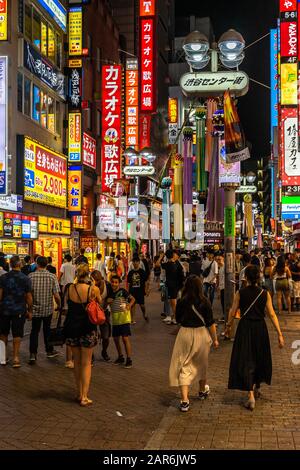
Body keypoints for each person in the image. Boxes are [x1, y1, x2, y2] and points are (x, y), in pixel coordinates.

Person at [226, 265, 284, 411]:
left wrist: (228, 326)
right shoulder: (265, 294)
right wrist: (279, 333)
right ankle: (255, 388)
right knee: (259, 357)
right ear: (258, 277)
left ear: (245, 277)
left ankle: (251, 393)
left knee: (246, 358)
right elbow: (271, 314)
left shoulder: (240, 293)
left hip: (245, 328)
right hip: (260, 328)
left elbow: (233, 311)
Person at [169, 275, 219, 412]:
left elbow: (178, 319)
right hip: (201, 334)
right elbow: (210, 322)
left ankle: (184, 400)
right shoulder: (204, 301)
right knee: (201, 363)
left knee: (184, 365)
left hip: (184, 334)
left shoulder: (181, 301)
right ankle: (202, 390)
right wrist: (215, 339)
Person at [63, 264, 101, 406]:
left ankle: (79, 393)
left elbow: (65, 305)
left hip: (72, 328)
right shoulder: (93, 289)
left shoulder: (69, 288)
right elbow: (100, 303)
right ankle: (85, 396)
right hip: (87, 328)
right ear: (88, 274)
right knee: (86, 363)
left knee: (77, 362)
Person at [0, 256, 33, 367]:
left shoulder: (3, 278)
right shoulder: (25, 278)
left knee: (3, 333)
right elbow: (28, 297)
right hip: (19, 309)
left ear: (10, 265)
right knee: (17, 334)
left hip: (4, 309)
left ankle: (3, 357)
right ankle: (16, 358)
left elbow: (0, 295)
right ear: (20, 265)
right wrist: (30, 310)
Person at [28, 256, 61, 364]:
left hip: (35, 309)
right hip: (48, 309)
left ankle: (33, 354)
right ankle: (49, 351)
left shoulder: (30, 276)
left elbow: (28, 295)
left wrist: (29, 309)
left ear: (36, 264)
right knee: (47, 330)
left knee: (34, 331)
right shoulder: (52, 276)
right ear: (47, 264)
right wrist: (59, 305)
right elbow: (56, 295)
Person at [107, 275, 135, 368]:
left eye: (116, 282)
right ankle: (120, 357)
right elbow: (105, 304)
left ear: (119, 283)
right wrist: (107, 301)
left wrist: (129, 305)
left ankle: (129, 359)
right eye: (113, 282)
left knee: (125, 338)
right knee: (115, 339)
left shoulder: (123, 291)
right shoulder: (109, 294)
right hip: (115, 321)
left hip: (124, 319)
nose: (114, 284)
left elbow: (133, 299)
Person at [156, 250, 184, 325]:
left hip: (173, 286)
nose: (175, 255)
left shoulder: (171, 263)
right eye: (174, 253)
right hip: (175, 286)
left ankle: (175, 318)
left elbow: (157, 264)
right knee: (174, 302)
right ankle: (175, 317)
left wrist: (161, 257)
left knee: (173, 303)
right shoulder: (174, 263)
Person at [90, 270, 111, 362]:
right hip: (92, 314)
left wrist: (109, 300)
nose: (96, 282)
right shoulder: (90, 287)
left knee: (106, 336)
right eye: (95, 280)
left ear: (101, 278)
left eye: (98, 280)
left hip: (104, 312)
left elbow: (111, 296)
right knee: (92, 335)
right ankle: (91, 354)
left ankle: (104, 351)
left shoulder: (107, 285)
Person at [127, 257, 148, 323]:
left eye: (136, 261)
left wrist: (146, 290)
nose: (135, 263)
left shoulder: (142, 272)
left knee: (142, 305)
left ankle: (144, 314)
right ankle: (133, 319)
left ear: (139, 262)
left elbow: (146, 281)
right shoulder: (130, 272)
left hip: (140, 291)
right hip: (132, 290)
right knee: (132, 304)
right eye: (134, 262)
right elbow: (128, 282)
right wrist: (128, 291)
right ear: (132, 263)